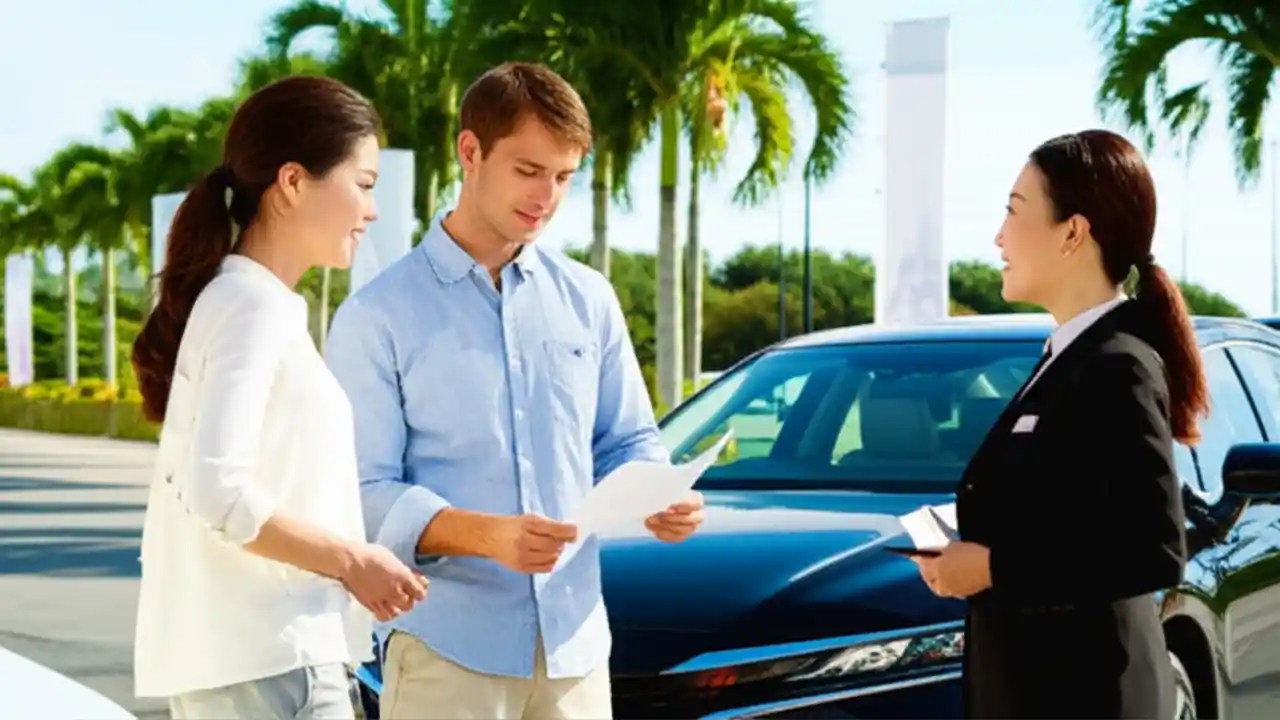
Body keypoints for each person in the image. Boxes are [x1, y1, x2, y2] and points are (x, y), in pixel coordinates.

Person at [324, 61, 705, 720]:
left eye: (563, 177)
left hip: (577, 649)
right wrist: (485, 536)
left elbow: (628, 439)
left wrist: (657, 493)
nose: (547, 197)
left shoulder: (589, 298)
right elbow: (359, 492)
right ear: (470, 152)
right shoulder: (377, 315)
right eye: (529, 171)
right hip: (446, 650)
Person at [131, 75, 428, 720]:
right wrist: (353, 561)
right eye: (365, 184)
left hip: (259, 664)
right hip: (275, 666)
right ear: (293, 183)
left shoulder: (245, 300)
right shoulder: (251, 306)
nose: (371, 210)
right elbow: (218, 489)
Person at [913, 129, 1206, 719]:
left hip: (1088, 695)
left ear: (1073, 232)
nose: (998, 236)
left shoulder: (1116, 364)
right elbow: (1071, 515)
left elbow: (1151, 548)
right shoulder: (1069, 357)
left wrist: (991, 567)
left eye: (1015, 211)